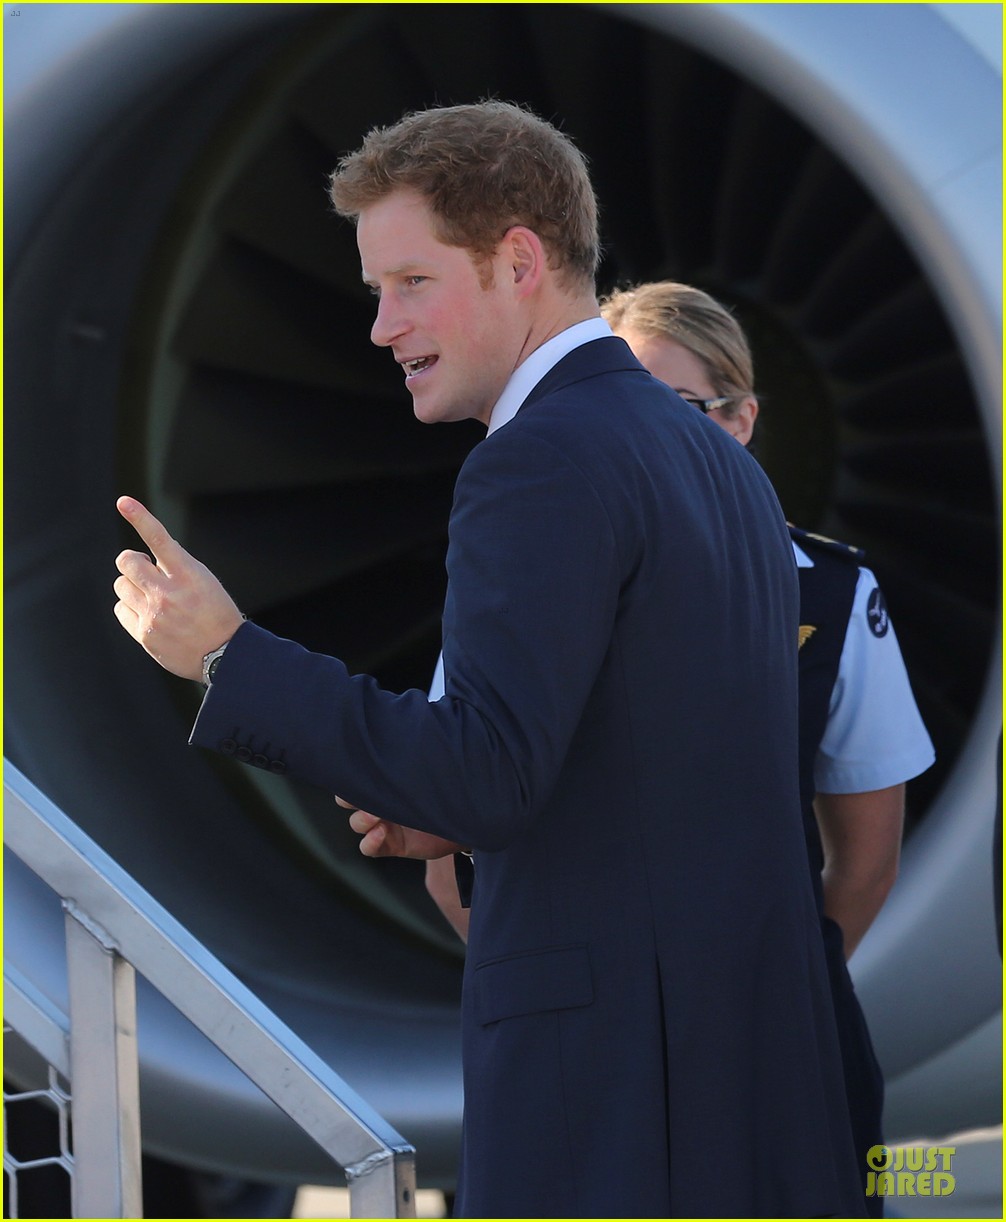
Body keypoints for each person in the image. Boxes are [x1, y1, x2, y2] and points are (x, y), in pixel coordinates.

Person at [113, 101, 865, 1218]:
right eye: (377, 291)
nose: (380, 326)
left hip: (609, 1105)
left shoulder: (538, 462)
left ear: (518, 260)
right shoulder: (721, 471)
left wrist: (228, 656)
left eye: (410, 282)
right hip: (743, 1090)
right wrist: (446, 805)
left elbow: (488, 772)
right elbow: (648, 765)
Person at [598, 279, 936, 1212]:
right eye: (608, 407)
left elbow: (864, 864)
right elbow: (447, 849)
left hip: (782, 1044)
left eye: (673, 408)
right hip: (589, 1047)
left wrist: (773, 987)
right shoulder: (523, 578)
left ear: (741, 419)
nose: (638, 435)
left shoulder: (831, 595)